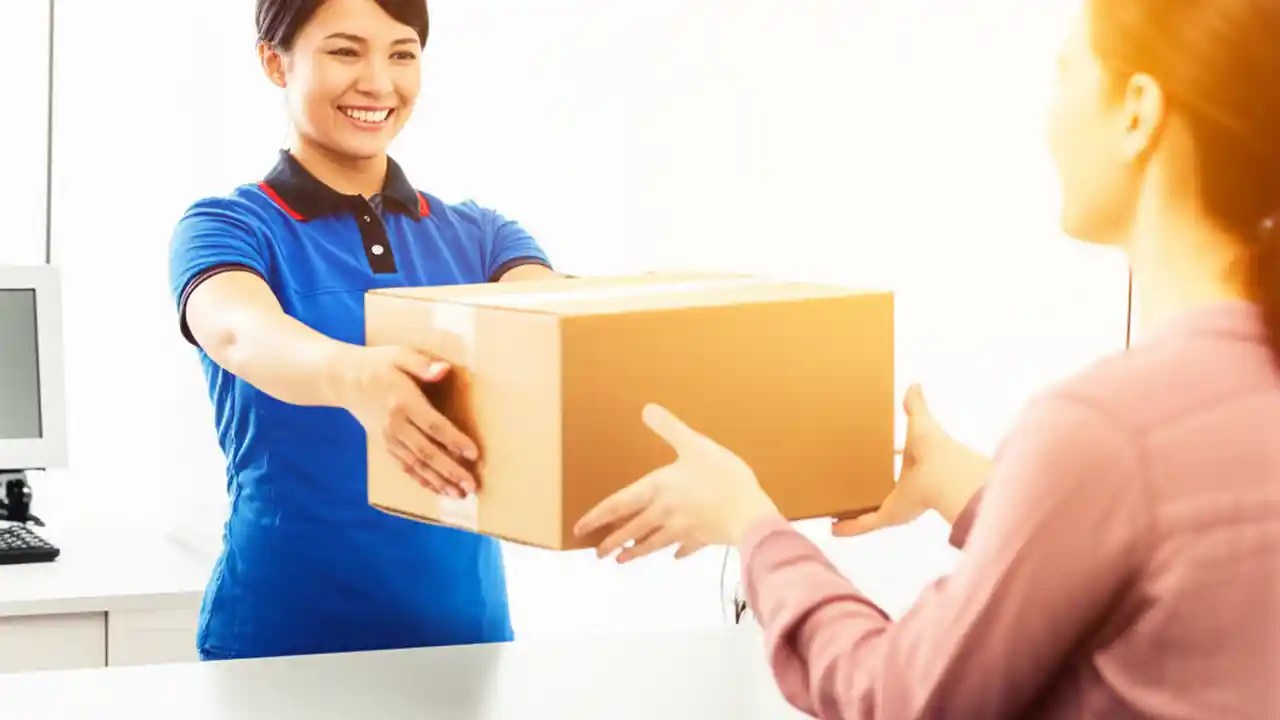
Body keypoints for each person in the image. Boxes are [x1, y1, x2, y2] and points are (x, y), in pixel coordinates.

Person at [575, 0, 1280, 716]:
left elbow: (899, 697)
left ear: (1136, 111)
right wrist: (967, 488)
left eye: (1063, 75)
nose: (1048, 119)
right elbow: (1154, 571)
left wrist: (750, 527)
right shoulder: (1224, 400)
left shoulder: (1106, 429)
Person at [169, 0, 558, 661]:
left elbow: (562, 336)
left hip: (467, 643)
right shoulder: (229, 227)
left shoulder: (486, 237)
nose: (378, 82)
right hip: (281, 645)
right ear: (274, 60)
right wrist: (355, 376)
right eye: (346, 51)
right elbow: (239, 332)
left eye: (402, 53)